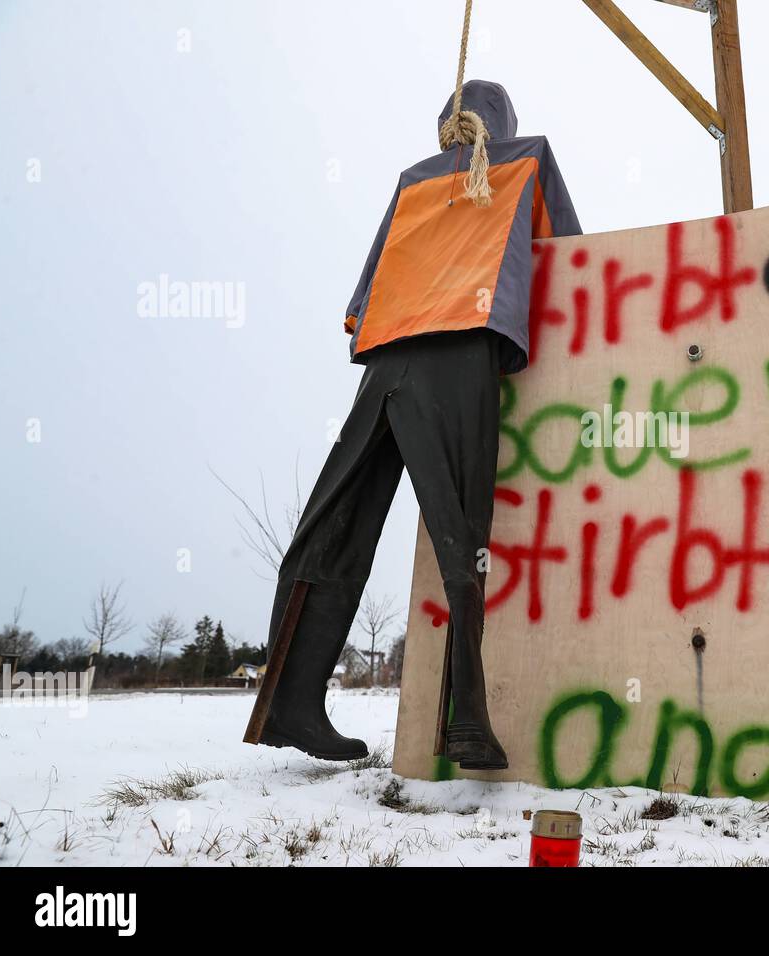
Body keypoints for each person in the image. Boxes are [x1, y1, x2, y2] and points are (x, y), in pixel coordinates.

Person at [249, 80, 581, 768]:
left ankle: (291, 701)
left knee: (334, 515)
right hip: (460, 350)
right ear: (502, 121)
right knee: (462, 537)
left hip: (388, 355)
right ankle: (468, 720)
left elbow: (363, 296)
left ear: (447, 124)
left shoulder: (413, 180)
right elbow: (574, 258)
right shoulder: (527, 158)